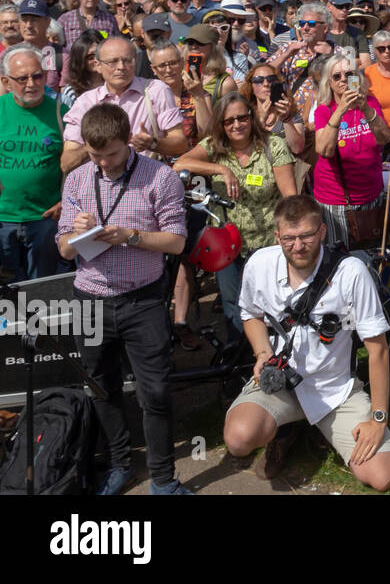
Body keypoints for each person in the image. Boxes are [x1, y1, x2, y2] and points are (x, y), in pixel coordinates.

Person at [55, 103, 190, 495]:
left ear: (128, 141)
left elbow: (177, 240)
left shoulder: (159, 177)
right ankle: (120, 465)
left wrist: (129, 235)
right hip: (90, 298)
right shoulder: (79, 178)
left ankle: (163, 480)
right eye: (94, 155)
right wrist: (75, 234)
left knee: (156, 392)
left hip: (142, 300)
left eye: (110, 154)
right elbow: (64, 251)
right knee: (100, 388)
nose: (102, 163)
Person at [223, 195, 390, 491]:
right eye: (289, 238)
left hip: (335, 389)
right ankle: (285, 432)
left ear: (322, 232)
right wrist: (263, 352)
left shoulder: (351, 271)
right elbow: (250, 314)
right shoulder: (259, 264)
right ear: (277, 236)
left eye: (307, 235)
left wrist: (378, 418)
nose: (298, 245)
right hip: (280, 383)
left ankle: (318, 428)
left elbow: (377, 349)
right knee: (239, 439)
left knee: (384, 477)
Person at [175, 93, 297, 340]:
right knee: (233, 304)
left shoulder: (273, 146)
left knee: (271, 304)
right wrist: (221, 169)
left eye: (242, 117)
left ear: (252, 118)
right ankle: (239, 363)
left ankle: (277, 358)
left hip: (266, 244)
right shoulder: (214, 147)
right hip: (226, 244)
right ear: (221, 124)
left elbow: (290, 198)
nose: (236, 125)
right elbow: (180, 164)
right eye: (228, 121)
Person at [61, 36, 189, 173]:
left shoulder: (156, 91)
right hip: (101, 186)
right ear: (98, 65)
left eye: (127, 60)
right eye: (113, 62)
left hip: (145, 181)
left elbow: (180, 144)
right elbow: (67, 163)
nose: (121, 67)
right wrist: (98, 144)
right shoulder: (86, 103)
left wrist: (152, 143)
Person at [307, 53, 390, 247]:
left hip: (371, 197)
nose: (344, 79)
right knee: (342, 258)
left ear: (358, 77)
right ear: (329, 82)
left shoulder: (371, 103)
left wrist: (366, 110)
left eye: (349, 74)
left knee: (372, 254)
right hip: (337, 202)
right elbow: (324, 150)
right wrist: (340, 110)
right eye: (337, 76)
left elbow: (385, 139)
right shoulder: (324, 110)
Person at [0, 45, 64, 280]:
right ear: (6, 82)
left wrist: (66, 200)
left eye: (37, 76)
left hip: (44, 220)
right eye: (22, 78)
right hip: (2, 220)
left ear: (46, 76)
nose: (31, 84)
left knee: (41, 293)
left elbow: (81, 165)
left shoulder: (62, 113)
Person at [240, 63, 308, 158]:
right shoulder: (245, 113)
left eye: (271, 79)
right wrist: (261, 120)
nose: (266, 84)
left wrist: (286, 119)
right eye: (258, 80)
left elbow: (297, 148)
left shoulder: (289, 112)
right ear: (251, 86)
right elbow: (244, 150)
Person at [60, 29, 103, 110]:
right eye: (90, 57)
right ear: (80, 61)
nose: (97, 60)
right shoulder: (72, 91)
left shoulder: (114, 84)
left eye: (99, 54)